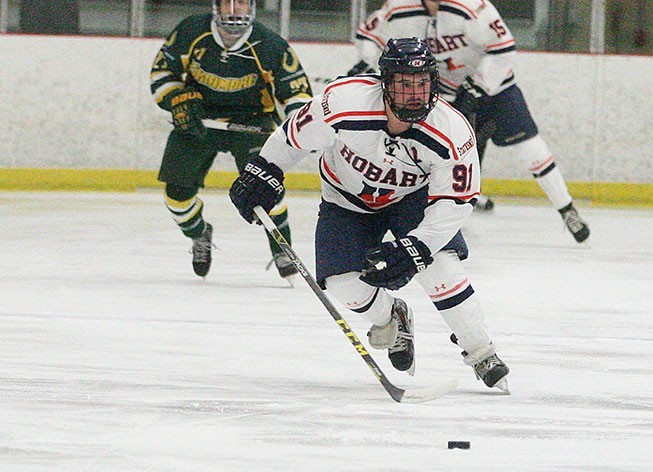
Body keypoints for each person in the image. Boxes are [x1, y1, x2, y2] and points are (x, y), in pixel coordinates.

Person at [229, 38, 510, 391]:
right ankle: (393, 316)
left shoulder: (452, 131)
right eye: (404, 84)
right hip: (346, 201)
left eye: (422, 84)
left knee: (440, 269)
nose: (414, 94)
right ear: (384, 83)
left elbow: (454, 203)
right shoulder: (345, 103)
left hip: (412, 200)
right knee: (343, 285)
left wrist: (417, 248)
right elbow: (293, 135)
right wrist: (264, 169)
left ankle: (481, 351)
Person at [347, 0, 590, 242]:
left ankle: (567, 209)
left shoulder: (473, 7)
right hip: (445, 95)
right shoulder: (398, 8)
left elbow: (504, 51)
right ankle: (453, 205)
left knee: (531, 151)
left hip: (497, 90)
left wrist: (477, 87)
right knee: (447, 156)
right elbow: (367, 36)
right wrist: (371, 63)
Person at [150, 0, 313, 279]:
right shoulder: (191, 31)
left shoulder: (271, 45)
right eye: (228, 3)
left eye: (242, 4)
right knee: (176, 195)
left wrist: (301, 127)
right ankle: (199, 234)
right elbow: (163, 74)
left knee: (266, 188)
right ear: (216, 7)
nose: (235, 10)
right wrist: (178, 99)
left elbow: (297, 94)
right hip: (198, 118)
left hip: (252, 119)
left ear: (252, 8)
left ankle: (281, 247)